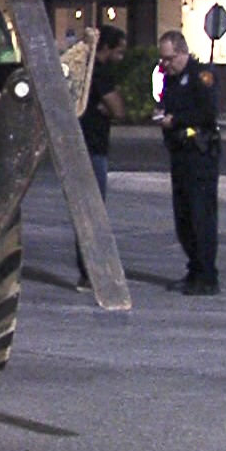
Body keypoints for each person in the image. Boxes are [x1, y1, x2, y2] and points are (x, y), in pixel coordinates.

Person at [155, 30, 220, 295]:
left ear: (182, 53)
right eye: (163, 60)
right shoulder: (170, 80)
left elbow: (207, 112)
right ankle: (194, 269)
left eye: (170, 58)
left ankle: (207, 276)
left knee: (200, 216)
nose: (166, 64)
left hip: (200, 153)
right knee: (183, 217)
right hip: (180, 154)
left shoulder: (200, 76)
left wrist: (177, 120)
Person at [73, 25, 128, 291]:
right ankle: (91, 272)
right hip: (93, 147)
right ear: (105, 48)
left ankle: (86, 270)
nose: (121, 57)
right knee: (94, 211)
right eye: (118, 51)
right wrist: (110, 107)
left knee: (84, 209)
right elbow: (118, 109)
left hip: (78, 144)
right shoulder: (101, 72)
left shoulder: (81, 68)